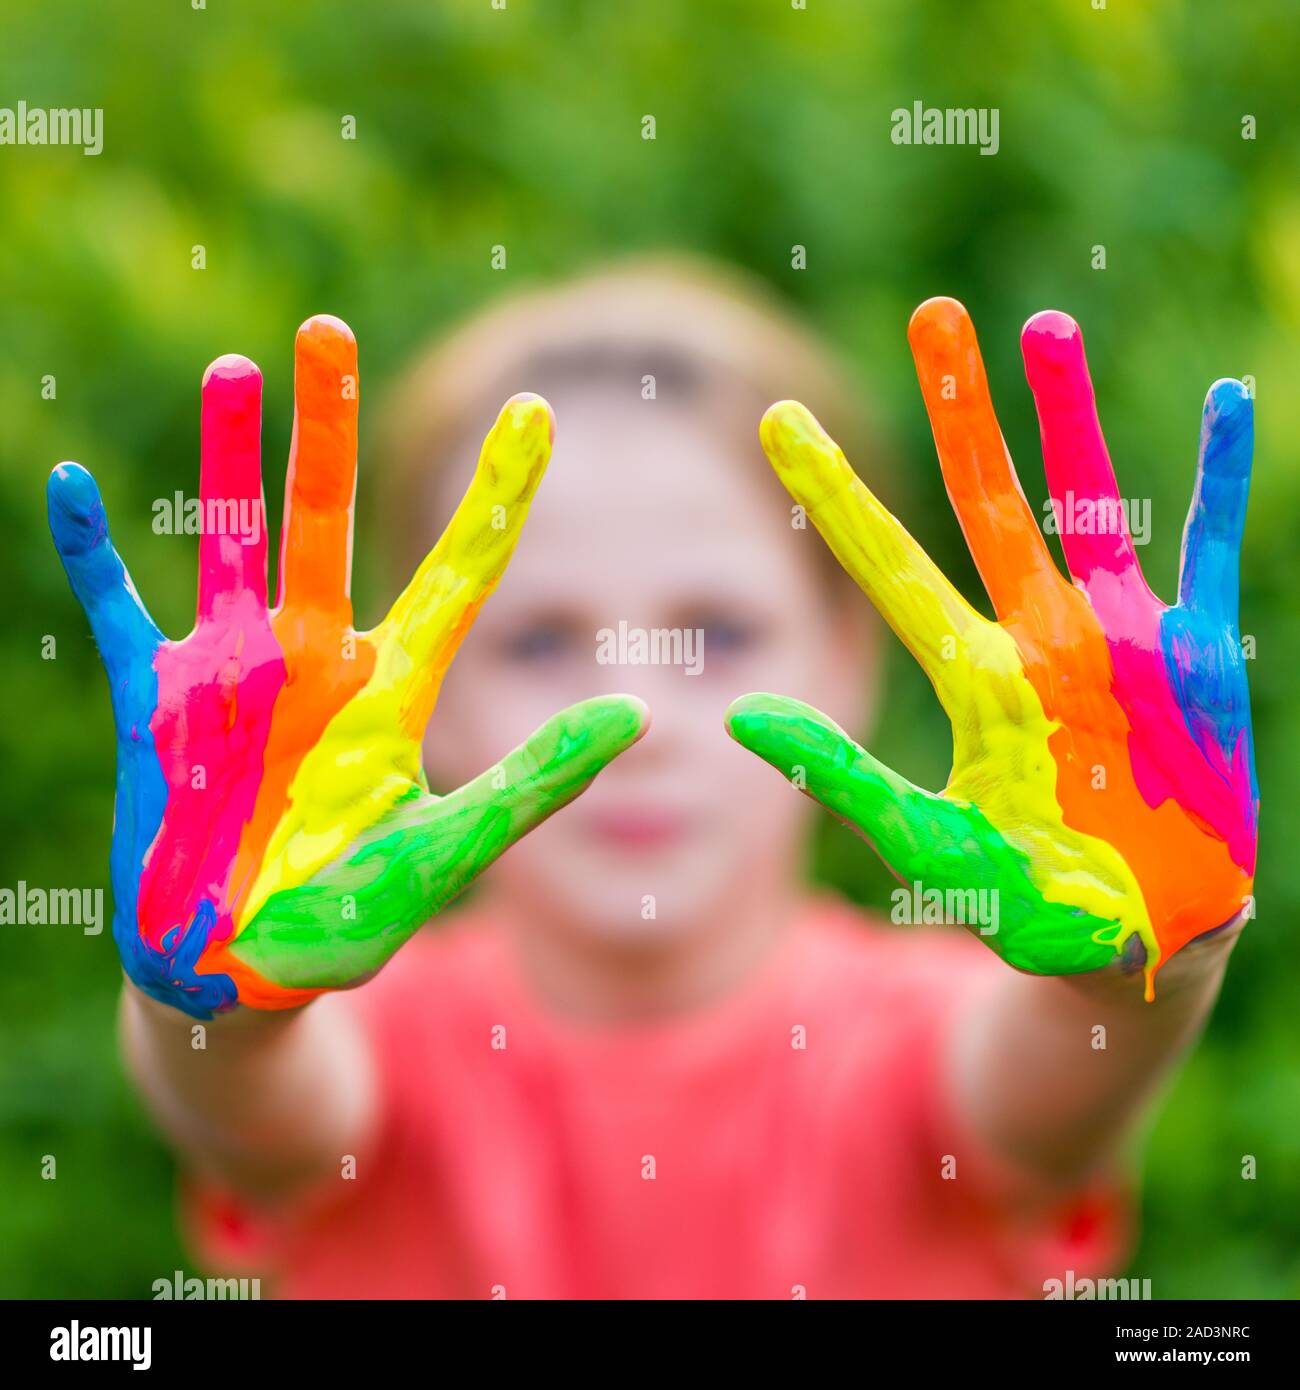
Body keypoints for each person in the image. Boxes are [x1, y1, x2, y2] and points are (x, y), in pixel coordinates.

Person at [71, 257, 1249, 1299]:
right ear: (411, 696)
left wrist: (1155, 953)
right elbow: (257, 1115)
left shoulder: (920, 1042)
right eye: (540, 641)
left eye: (718, 630)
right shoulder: (375, 1045)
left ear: (848, 655)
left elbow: (1051, 1098)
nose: (639, 716)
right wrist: (212, 1000)